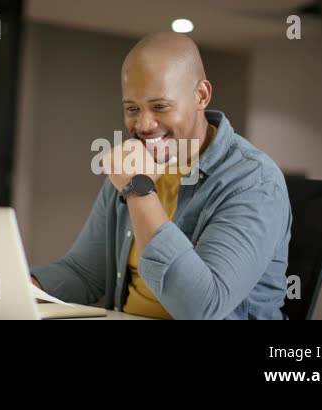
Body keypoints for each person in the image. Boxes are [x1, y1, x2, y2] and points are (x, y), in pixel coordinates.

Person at [31, 32, 292, 320]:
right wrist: (22, 287)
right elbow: (85, 273)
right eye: (132, 109)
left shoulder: (253, 181)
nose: (143, 124)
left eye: (160, 107)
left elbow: (200, 308)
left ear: (201, 95)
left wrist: (138, 189)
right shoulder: (135, 167)